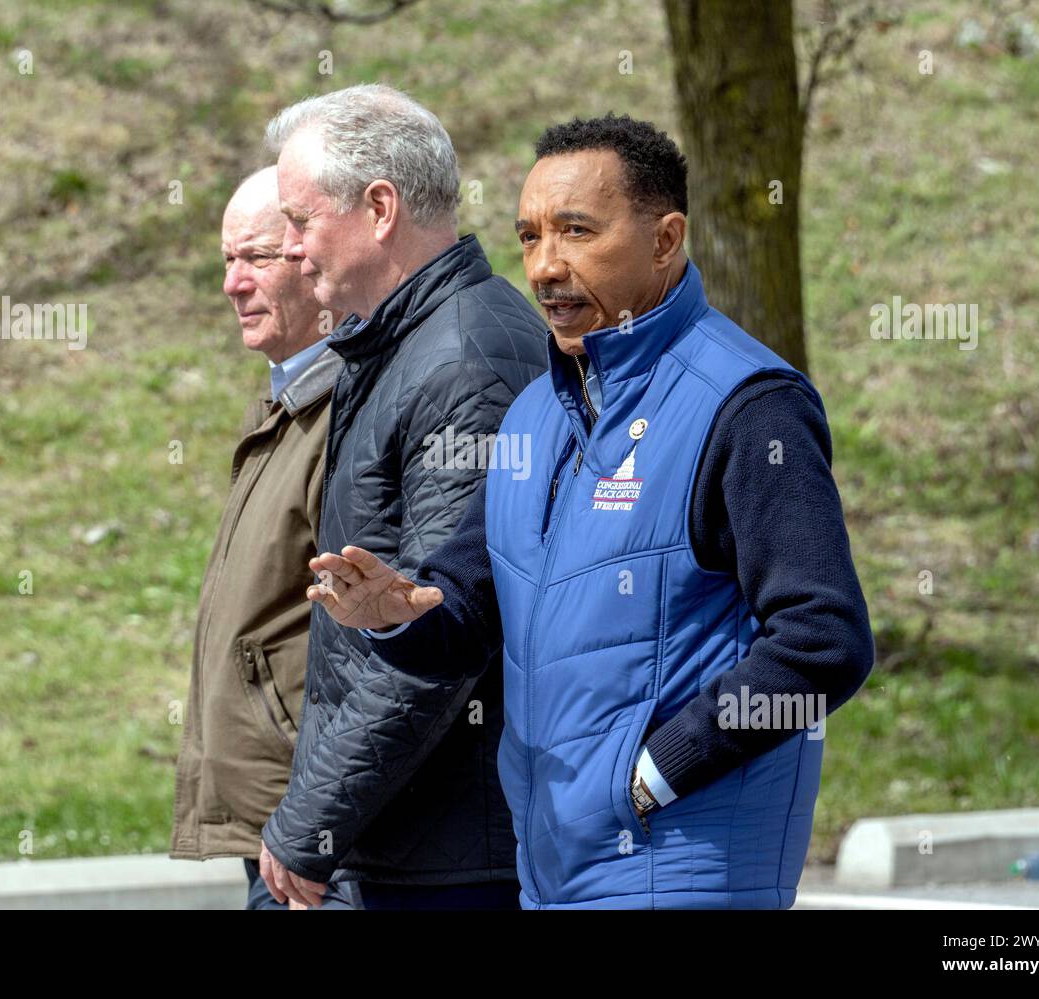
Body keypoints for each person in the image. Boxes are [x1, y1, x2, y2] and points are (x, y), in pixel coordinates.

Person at [307, 114, 876, 909]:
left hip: (679, 873)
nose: (544, 266)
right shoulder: (534, 414)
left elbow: (825, 642)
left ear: (666, 239)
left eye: (576, 231)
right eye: (530, 235)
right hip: (550, 877)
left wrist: (653, 772)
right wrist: (398, 610)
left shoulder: (748, 406)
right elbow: (468, 605)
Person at [257, 85, 546, 911]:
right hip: (406, 840)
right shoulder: (405, 342)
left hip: (447, 858)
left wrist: (315, 819)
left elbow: (440, 626)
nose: (288, 249)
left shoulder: (464, 359)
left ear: (379, 207)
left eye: (300, 220)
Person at [169, 167, 358, 910]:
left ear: (311, 262)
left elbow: (366, 644)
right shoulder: (288, 399)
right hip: (278, 832)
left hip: (314, 842)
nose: (231, 284)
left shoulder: (343, 408)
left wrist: (314, 818)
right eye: (225, 261)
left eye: (254, 258)